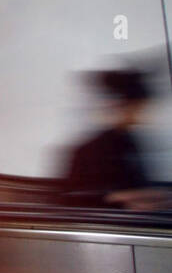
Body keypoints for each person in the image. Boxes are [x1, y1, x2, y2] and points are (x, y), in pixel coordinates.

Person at [60, 68, 170, 210]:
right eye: (137, 108)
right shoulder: (88, 150)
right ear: (121, 107)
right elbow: (76, 200)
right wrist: (125, 198)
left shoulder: (129, 143)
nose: (142, 116)